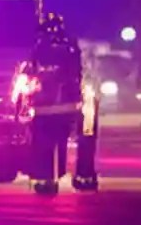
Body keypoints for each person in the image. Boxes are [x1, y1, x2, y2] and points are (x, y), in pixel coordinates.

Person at [25, 11, 94, 195]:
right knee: (74, 140)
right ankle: (80, 176)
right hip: (68, 106)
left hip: (42, 108)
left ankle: (44, 180)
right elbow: (79, 72)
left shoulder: (37, 47)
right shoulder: (71, 46)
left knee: (42, 144)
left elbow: (29, 72)